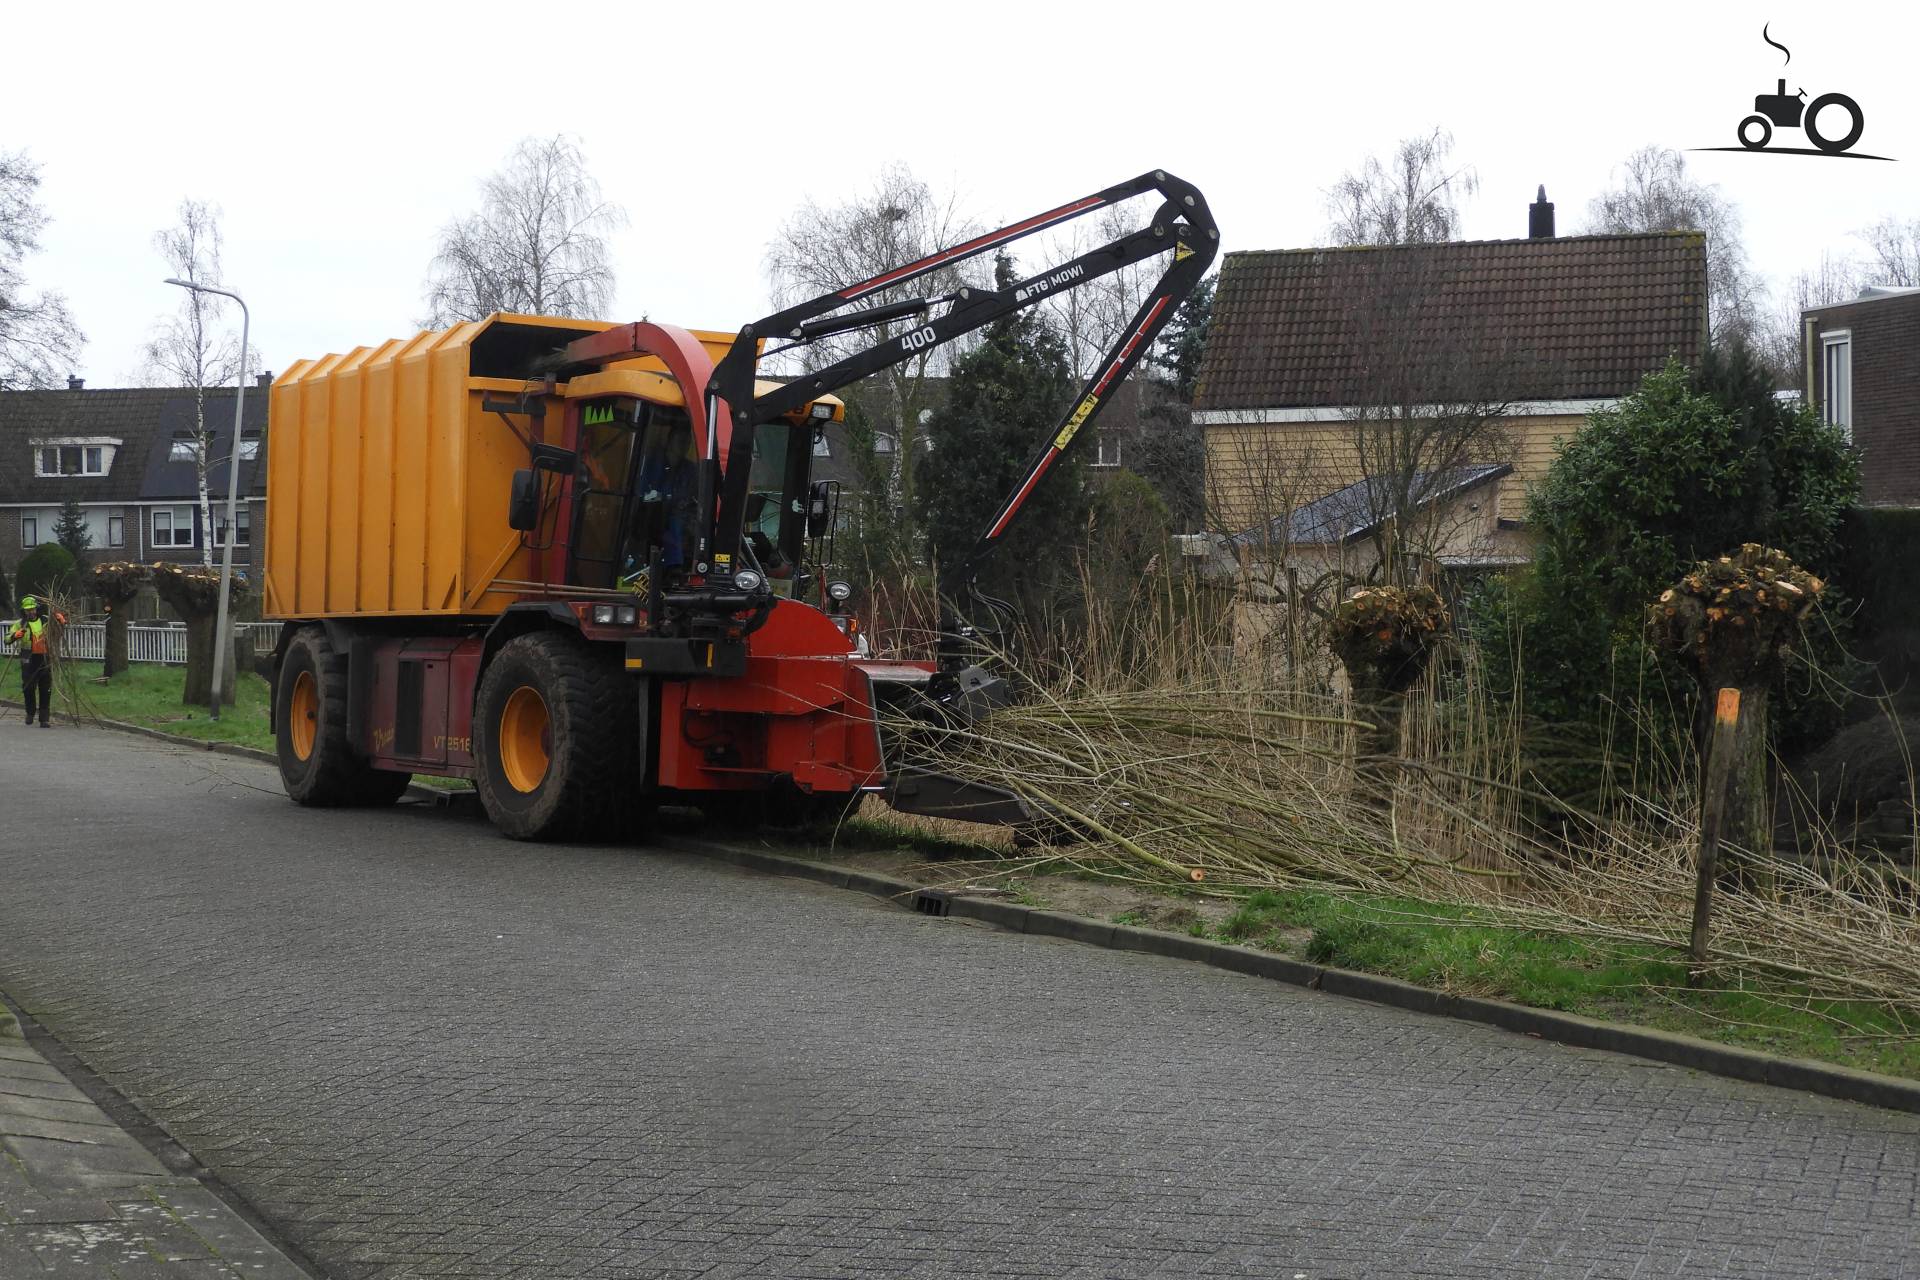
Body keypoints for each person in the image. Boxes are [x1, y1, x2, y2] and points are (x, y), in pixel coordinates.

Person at [7, 596, 66, 728]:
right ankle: (30, 713)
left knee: (46, 689)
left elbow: (58, 633)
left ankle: (44, 719)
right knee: (28, 688)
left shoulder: (46, 620)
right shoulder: (20, 624)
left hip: (45, 657)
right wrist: (14, 636)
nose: (30, 612)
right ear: (24, 611)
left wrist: (61, 622)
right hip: (28, 660)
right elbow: (6, 639)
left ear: (36, 608)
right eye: (27, 610)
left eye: (32, 609)